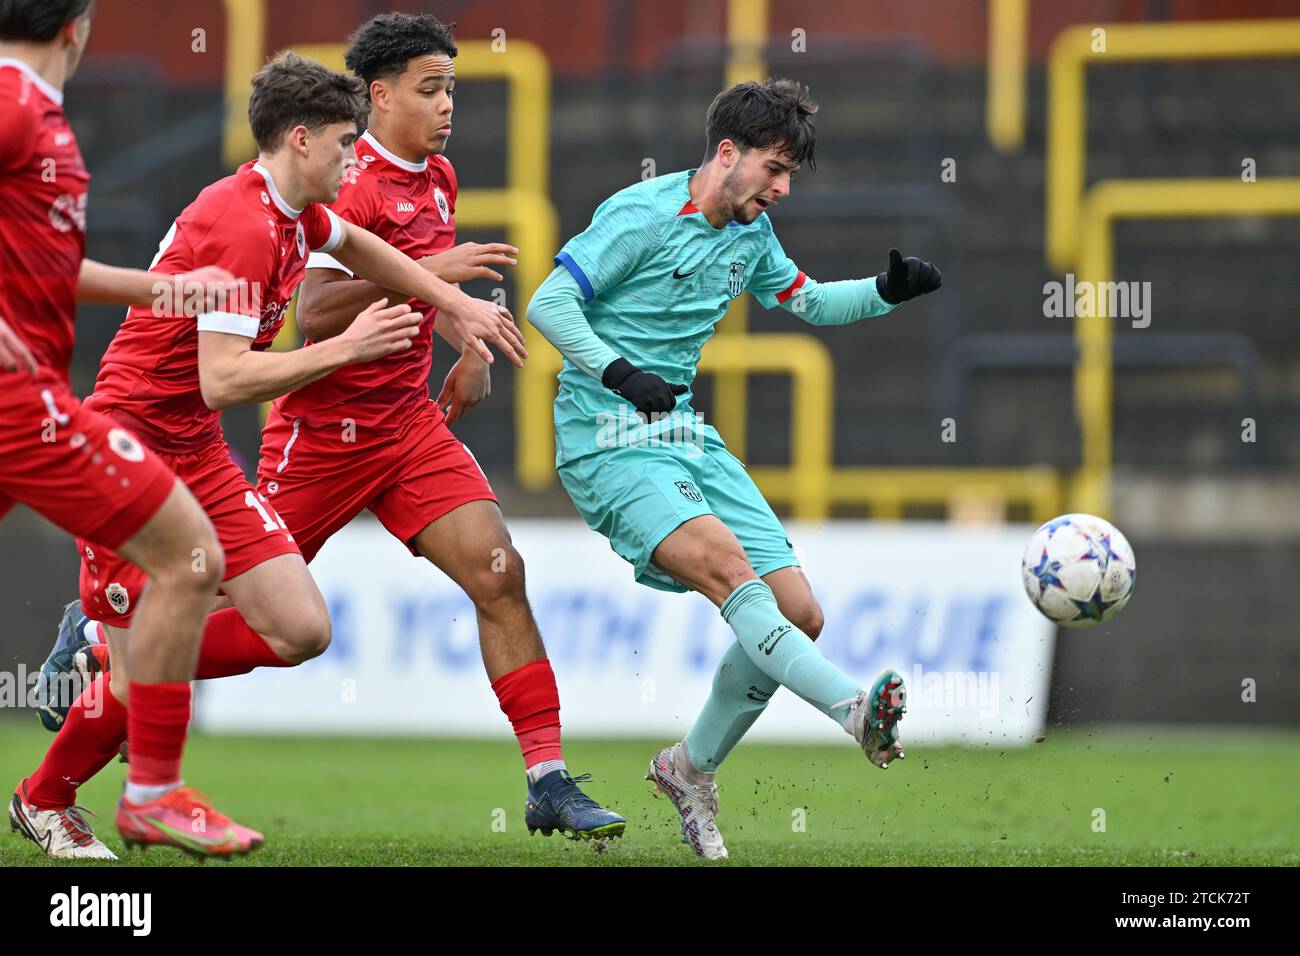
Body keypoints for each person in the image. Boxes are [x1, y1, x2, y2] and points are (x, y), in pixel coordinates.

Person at [12, 47, 526, 859]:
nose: (356, 156)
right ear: (299, 140)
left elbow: (363, 251)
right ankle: (46, 798)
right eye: (345, 142)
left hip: (196, 447)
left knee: (298, 627)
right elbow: (224, 379)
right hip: (134, 443)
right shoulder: (245, 227)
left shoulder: (294, 211)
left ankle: (117, 651)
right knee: (165, 630)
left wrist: (450, 301)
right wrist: (350, 348)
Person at [526, 77, 942, 859]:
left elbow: (809, 302)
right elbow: (549, 303)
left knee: (799, 611)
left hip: (681, 428)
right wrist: (618, 372)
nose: (782, 190)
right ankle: (854, 712)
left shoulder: (750, 236)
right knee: (725, 565)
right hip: (606, 430)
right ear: (728, 153)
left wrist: (886, 292)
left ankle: (687, 769)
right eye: (776, 170)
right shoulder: (640, 214)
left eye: (790, 176)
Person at [2, 0, 260, 858]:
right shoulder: (16, 102)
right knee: (191, 551)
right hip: (23, 408)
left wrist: (164, 291)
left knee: (190, 557)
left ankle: (137, 785)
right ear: (79, 26)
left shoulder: (38, 112)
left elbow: (52, 267)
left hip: (30, 404)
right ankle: (150, 792)